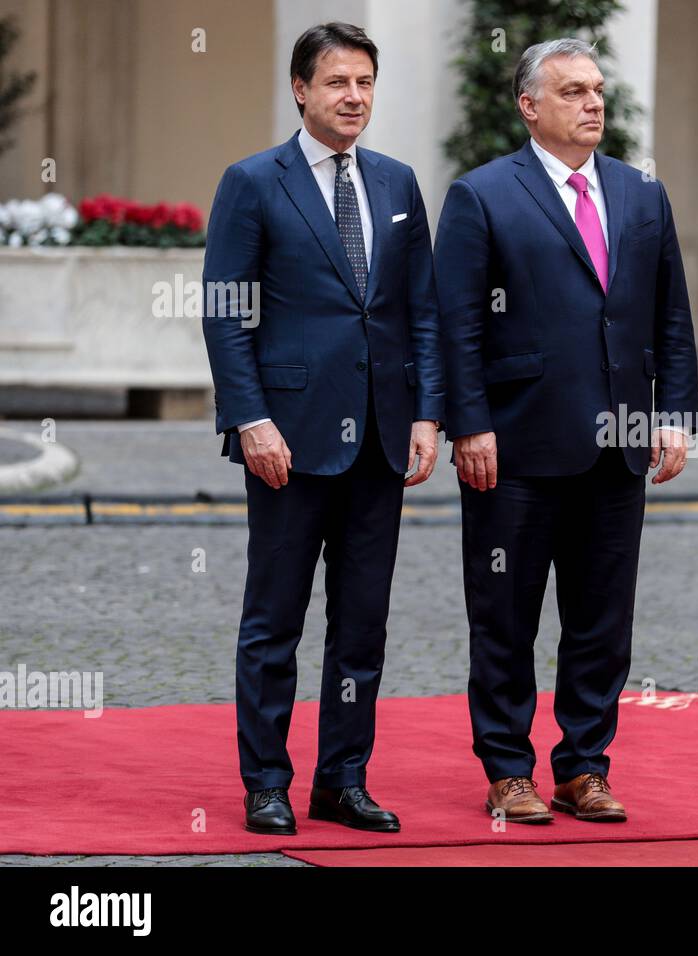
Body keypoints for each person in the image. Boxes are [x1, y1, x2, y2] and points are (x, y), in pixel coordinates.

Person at [434, 37, 698, 824]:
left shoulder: (642, 194)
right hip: (516, 447)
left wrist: (676, 414)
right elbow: (457, 328)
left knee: (601, 619)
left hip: (618, 446)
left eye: (598, 91)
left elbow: (672, 317)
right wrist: (468, 425)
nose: (593, 105)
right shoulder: (481, 196)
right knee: (505, 614)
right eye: (574, 92)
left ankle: (584, 767)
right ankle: (508, 768)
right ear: (529, 106)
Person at [201, 21, 442, 835]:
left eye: (366, 83)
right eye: (338, 82)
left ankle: (343, 778)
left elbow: (421, 313)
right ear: (301, 89)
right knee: (275, 619)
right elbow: (226, 314)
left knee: (362, 622)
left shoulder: (398, 183)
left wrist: (427, 414)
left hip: (381, 435)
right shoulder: (253, 182)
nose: (355, 98)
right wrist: (251, 418)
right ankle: (265, 779)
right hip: (289, 438)